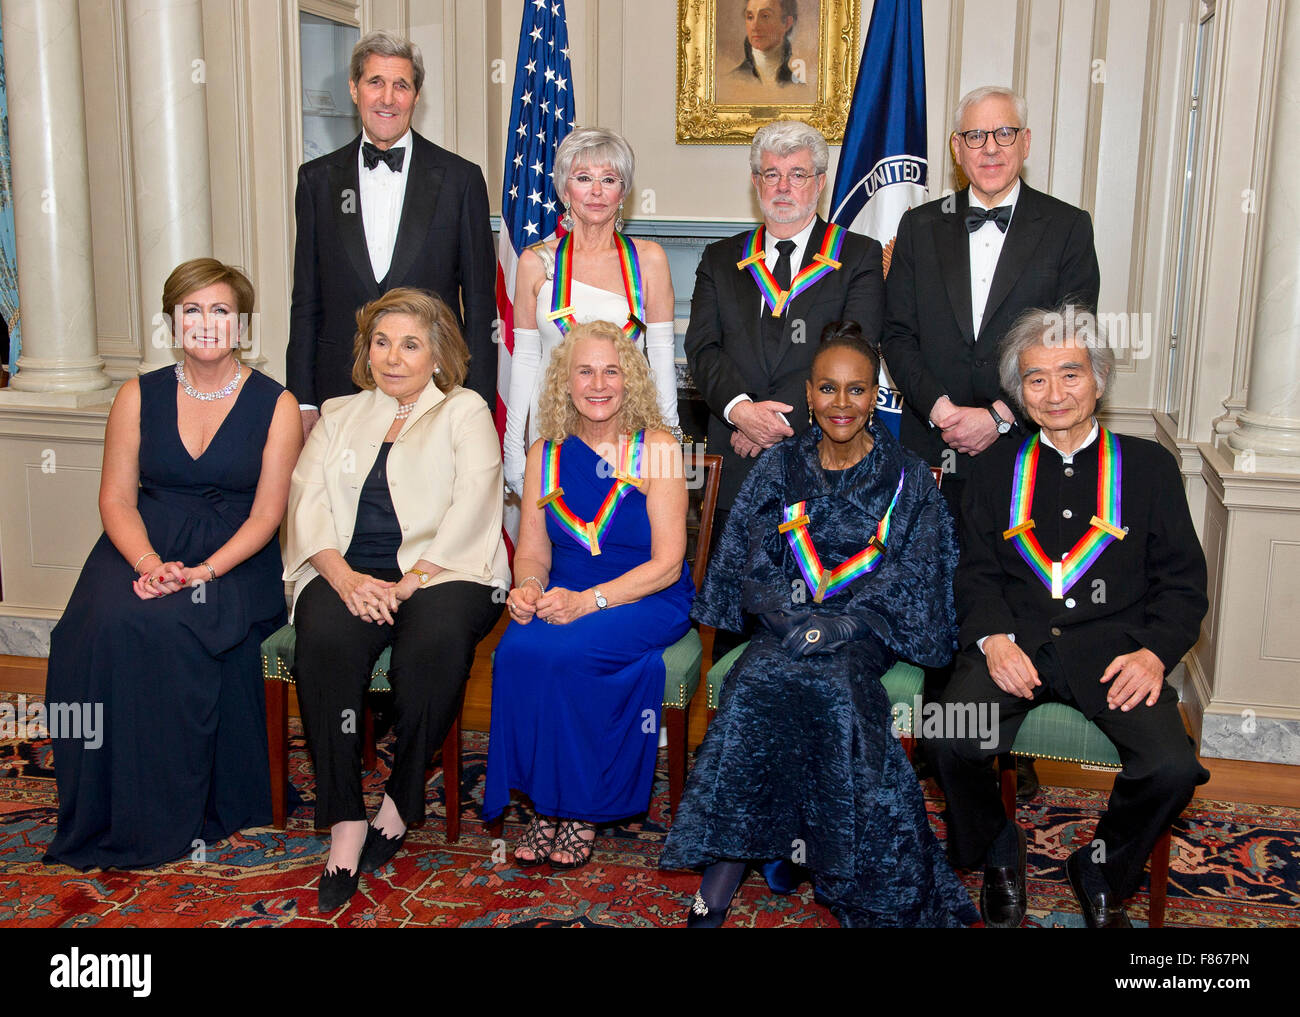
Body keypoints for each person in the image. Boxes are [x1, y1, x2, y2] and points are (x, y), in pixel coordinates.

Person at [661, 324, 978, 928]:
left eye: (856, 390)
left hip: (864, 635)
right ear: (808, 394)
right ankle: (726, 869)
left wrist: (842, 627)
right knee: (754, 684)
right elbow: (751, 558)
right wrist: (788, 619)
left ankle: (827, 858)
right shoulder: (780, 466)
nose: (841, 403)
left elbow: (915, 576)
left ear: (876, 395)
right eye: (828, 389)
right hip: (784, 628)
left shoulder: (909, 477)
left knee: (830, 687)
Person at [929, 305, 1209, 928]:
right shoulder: (992, 466)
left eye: (1071, 374)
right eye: (1036, 379)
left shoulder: (1149, 467)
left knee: (1172, 767)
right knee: (948, 735)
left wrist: (1155, 653)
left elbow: (1183, 585)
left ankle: (1103, 867)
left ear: (1099, 381)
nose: (1054, 393)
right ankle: (999, 846)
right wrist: (994, 640)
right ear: (1019, 393)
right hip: (1015, 641)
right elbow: (973, 570)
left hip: (1116, 651)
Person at [44, 259, 302, 870]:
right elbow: (115, 496)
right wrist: (149, 562)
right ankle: (103, 803)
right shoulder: (137, 394)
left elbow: (267, 517)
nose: (206, 323)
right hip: (142, 541)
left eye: (220, 311)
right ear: (172, 322)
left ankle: (172, 811)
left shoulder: (278, 404)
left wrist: (204, 571)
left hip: (233, 557)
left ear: (241, 325)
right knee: (94, 627)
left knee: (169, 627)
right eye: (192, 310)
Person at [882, 85, 1101, 795]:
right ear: (955, 148)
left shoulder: (1067, 227)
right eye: (975, 136)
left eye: (1004, 133)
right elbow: (898, 334)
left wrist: (1000, 415)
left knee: (1018, 582)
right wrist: (943, 407)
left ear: (1026, 142)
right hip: (930, 441)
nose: (990, 148)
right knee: (939, 585)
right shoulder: (919, 228)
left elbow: (1072, 339)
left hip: (1023, 449)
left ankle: (1012, 739)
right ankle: (949, 743)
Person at [283, 288, 509, 912]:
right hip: (351, 569)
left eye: (410, 344)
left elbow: (475, 504)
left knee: (431, 647)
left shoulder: (465, 411)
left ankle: (401, 795)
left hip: (450, 569)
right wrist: (344, 577)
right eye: (381, 342)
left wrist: (410, 583)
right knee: (324, 644)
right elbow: (309, 505)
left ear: (437, 354)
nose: (392, 356)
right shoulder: (339, 414)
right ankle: (345, 819)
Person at [485, 320, 693, 868]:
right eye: (585, 370)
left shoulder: (661, 447)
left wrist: (590, 601)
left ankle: (578, 809)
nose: (598, 383)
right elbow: (531, 552)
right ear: (564, 381)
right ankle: (544, 805)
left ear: (632, 381)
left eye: (612, 370)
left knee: (572, 653)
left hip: (646, 594)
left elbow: (668, 563)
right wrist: (528, 586)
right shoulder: (542, 453)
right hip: (565, 590)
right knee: (517, 649)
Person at [685, 119, 883, 658]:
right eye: (770, 174)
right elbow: (702, 350)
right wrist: (740, 411)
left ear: (819, 182)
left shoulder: (858, 256)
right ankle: (734, 736)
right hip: (737, 458)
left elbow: (855, 352)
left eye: (797, 174)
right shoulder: (721, 259)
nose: (783, 186)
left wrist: (777, 423)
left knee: (814, 619)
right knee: (734, 627)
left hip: (822, 458)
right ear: (755, 183)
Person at [288, 29, 497, 437]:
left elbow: (480, 303)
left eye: (401, 85)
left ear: (417, 95)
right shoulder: (315, 180)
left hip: (435, 395)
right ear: (354, 89)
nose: (388, 98)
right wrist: (303, 398)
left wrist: (478, 401)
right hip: (339, 392)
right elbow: (305, 299)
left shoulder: (460, 180)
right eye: (375, 83)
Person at [504, 127, 679, 496]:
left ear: (623, 192)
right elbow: (524, 359)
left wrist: (670, 442)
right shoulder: (536, 262)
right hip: (551, 431)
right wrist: (514, 449)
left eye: (609, 179)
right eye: (584, 179)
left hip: (628, 430)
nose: (597, 191)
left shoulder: (649, 261)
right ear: (565, 190)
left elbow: (661, 358)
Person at [730, 0, 805, 89]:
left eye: (765, 16)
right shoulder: (731, 81)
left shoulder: (798, 89)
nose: (755, 27)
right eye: (750, 17)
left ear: (787, 23)